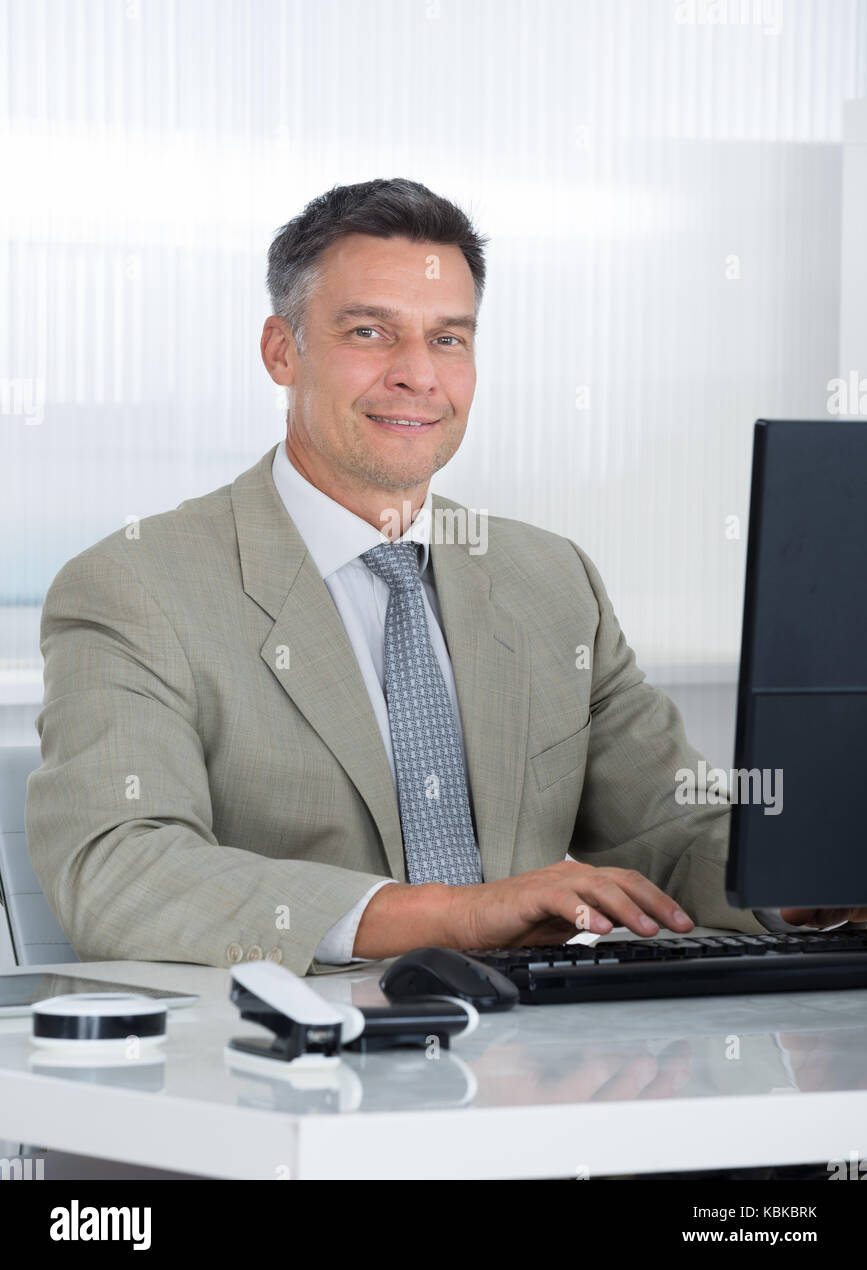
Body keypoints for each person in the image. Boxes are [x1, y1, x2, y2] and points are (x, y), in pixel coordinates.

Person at [25, 178, 866, 975]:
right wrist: (448, 915)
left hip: (536, 1061)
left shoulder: (548, 579)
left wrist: (808, 885)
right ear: (281, 350)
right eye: (369, 332)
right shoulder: (137, 585)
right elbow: (119, 869)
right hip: (292, 1070)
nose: (417, 374)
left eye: (447, 338)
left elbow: (670, 832)